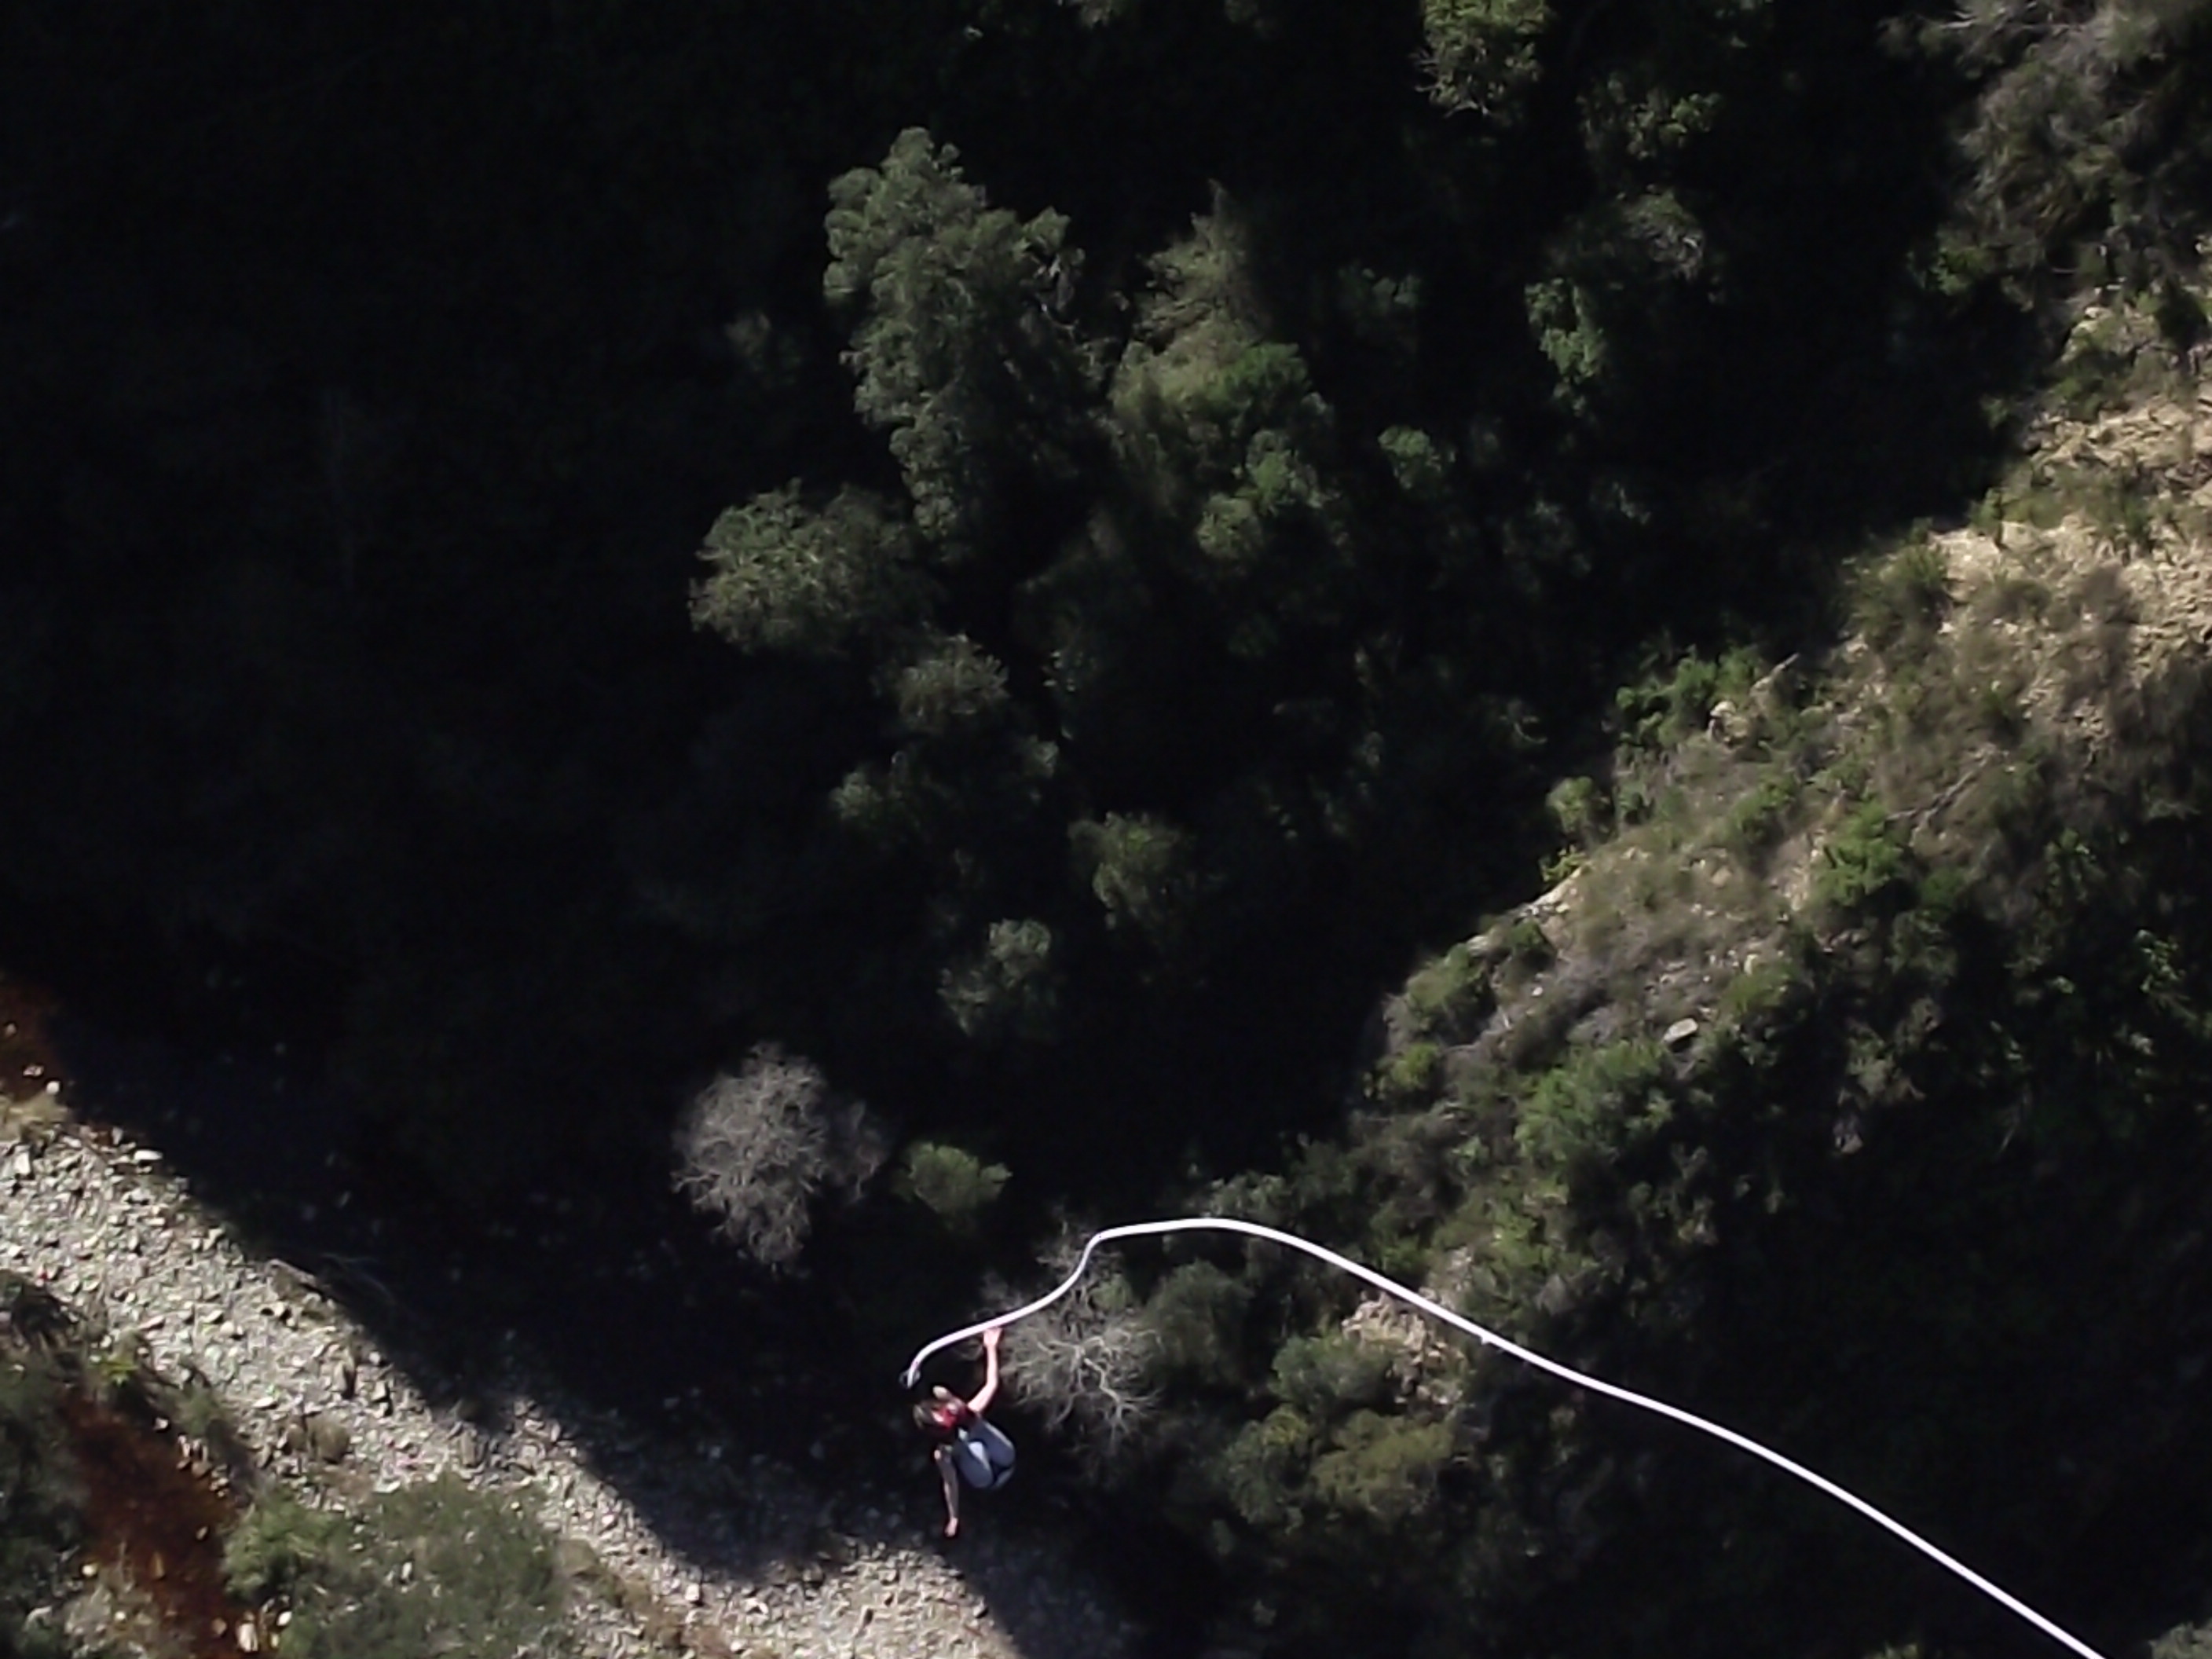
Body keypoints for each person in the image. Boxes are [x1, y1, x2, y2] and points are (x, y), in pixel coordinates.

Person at [913, 1324, 1015, 1537]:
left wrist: (990, 1348)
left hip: (1006, 1461)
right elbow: (950, 1484)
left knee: (975, 1424)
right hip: (988, 1479)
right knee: (969, 1445)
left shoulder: (968, 1413)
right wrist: (954, 1516)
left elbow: (991, 1384)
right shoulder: (943, 1452)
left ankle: (962, 1415)